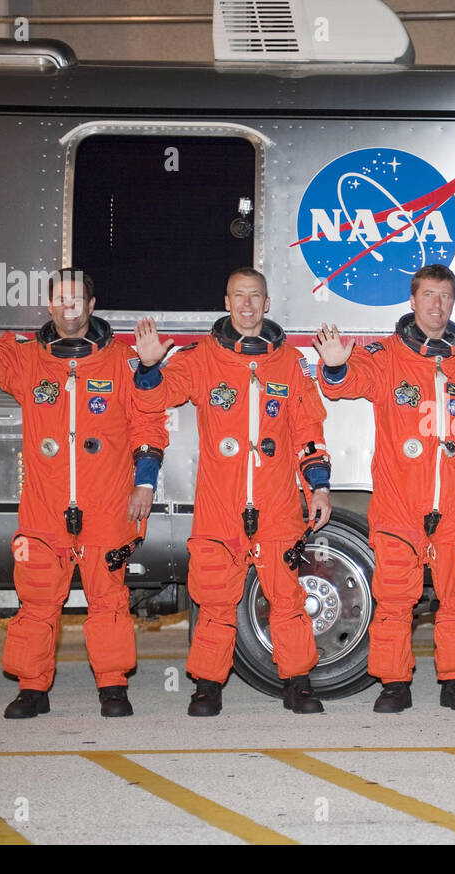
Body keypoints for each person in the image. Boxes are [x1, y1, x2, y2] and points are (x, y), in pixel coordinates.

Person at [0, 264, 167, 719]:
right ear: (50, 305)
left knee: (108, 601)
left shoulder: (123, 361)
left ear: (90, 305)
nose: (69, 307)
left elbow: (148, 422)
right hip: (45, 508)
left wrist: (145, 482)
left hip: (107, 504)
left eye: (77, 299)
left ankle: (112, 685)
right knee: (39, 599)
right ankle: (32, 688)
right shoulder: (28, 358)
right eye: (60, 299)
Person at [132, 267, 332, 716]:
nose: (246, 304)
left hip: (277, 502)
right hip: (221, 506)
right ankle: (207, 685)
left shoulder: (290, 363)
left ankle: (297, 682)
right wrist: (148, 368)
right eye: (238, 296)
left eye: (255, 296)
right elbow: (154, 398)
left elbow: (309, 432)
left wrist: (318, 487)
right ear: (226, 302)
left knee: (287, 597)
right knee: (215, 599)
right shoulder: (202, 357)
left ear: (267, 303)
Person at [313, 264, 455, 713]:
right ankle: (393, 683)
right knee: (396, 598)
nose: (437, 306)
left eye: (445, 297)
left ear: (452, 303)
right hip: (401, 503)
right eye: (429, 296)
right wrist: (336, 365)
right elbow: (345, 383)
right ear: (413, 301)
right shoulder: (386, 355)